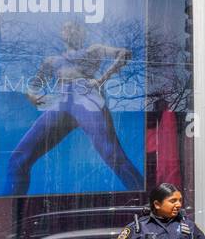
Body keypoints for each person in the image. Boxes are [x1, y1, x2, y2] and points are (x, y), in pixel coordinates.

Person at [8, 19, 143, 195]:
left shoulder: (94, 50)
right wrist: (32, 96)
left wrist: (102, 79)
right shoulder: (53, 60)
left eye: (75, 28)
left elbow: (124, 53)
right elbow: (33, 85)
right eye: (66, 28)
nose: (70, 31)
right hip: (62, 103)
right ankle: (9, 214)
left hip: (87, 100)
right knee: (17, 159)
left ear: (82, 33)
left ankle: (146, 202)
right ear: (62, 33)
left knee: (112, 155)